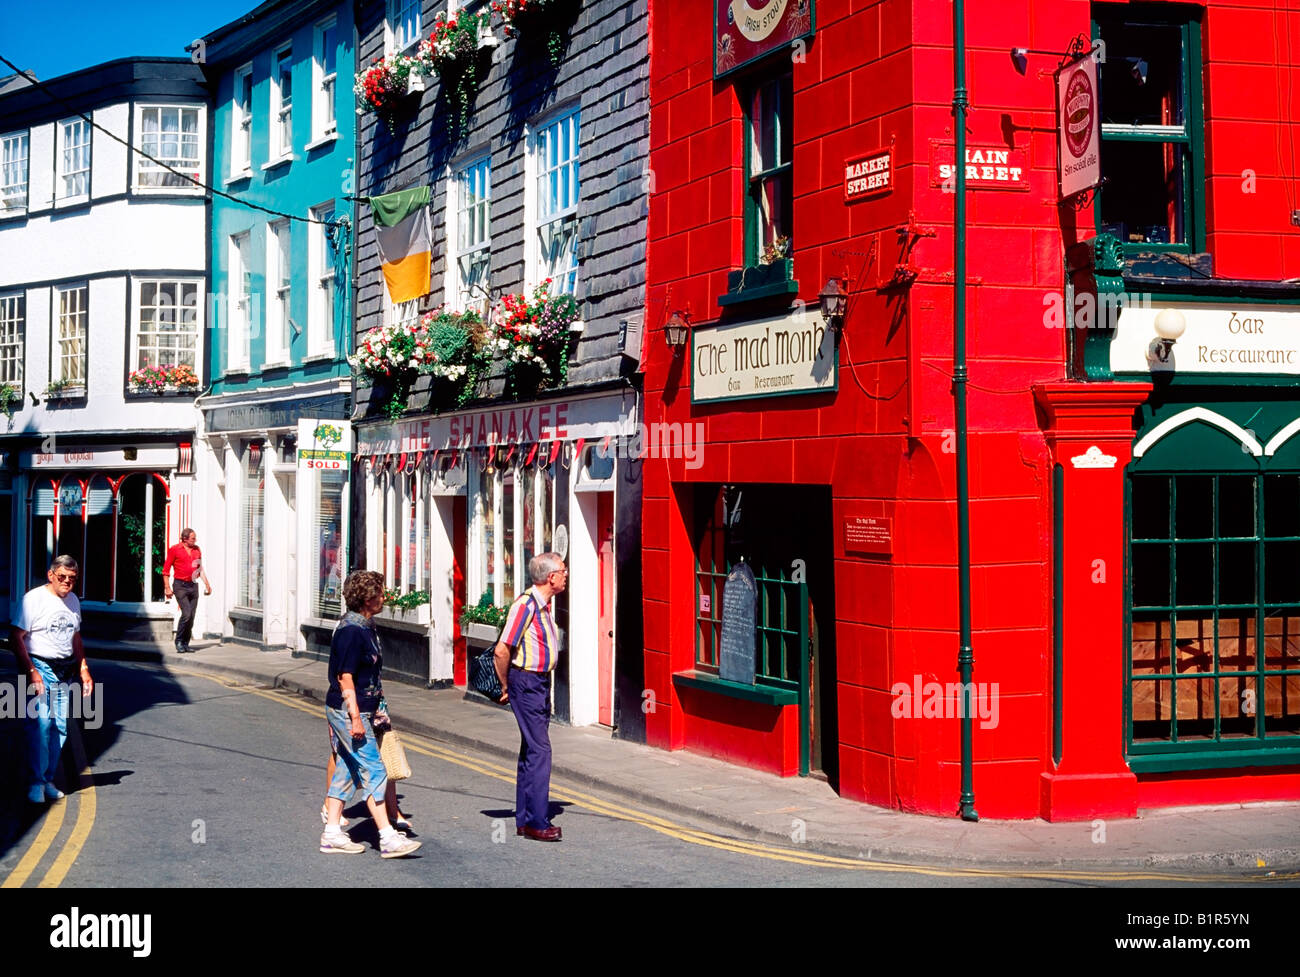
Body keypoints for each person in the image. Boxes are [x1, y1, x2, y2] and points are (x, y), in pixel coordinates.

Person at [320, 569, 421, 858]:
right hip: (349, 710)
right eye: (379, 592)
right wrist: (354, 718)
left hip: (362, 708)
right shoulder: (352, 631)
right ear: (366, 598)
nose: (383, 597)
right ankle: (387, 837)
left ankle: (331, 834)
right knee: (375, 769)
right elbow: (345, 677)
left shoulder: (364, 625)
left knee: (349, 768)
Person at [493, 552, 567, 842]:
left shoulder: (543, 605)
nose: (566, 574)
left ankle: (525, 819)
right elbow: (502, 650)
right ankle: (537, 821)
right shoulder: (525, 606)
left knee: (531, 749)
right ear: (551, 577)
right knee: (541, 751)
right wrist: (506, 686)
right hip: (526, 681)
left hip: (538, 682)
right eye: (562, 570)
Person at [10, 555, 94, 804]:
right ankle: (35, 782)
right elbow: (16, 637)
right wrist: (31, 671)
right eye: (62, 577)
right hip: (39, 665)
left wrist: (83, 668)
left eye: (72, 578)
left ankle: (47, 779)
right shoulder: (33, 600)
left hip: (65, 669)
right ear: (51, 575)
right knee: (40, 725)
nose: (67, 582)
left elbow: (75, 637)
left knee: (59, 727)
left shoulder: (73, 601)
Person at [162, 528, 212, 654]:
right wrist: (167, 587)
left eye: (195, 538)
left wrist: (207, 584)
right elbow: (166, 570)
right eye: (193, 538)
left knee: (192, 616)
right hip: (180, 585)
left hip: (193, 585)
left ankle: (185, 643)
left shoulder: (197, 549)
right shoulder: (175, 549)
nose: (195, 540)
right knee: (187, 614)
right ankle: (178, 641)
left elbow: (199, 569)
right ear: (184, 539)